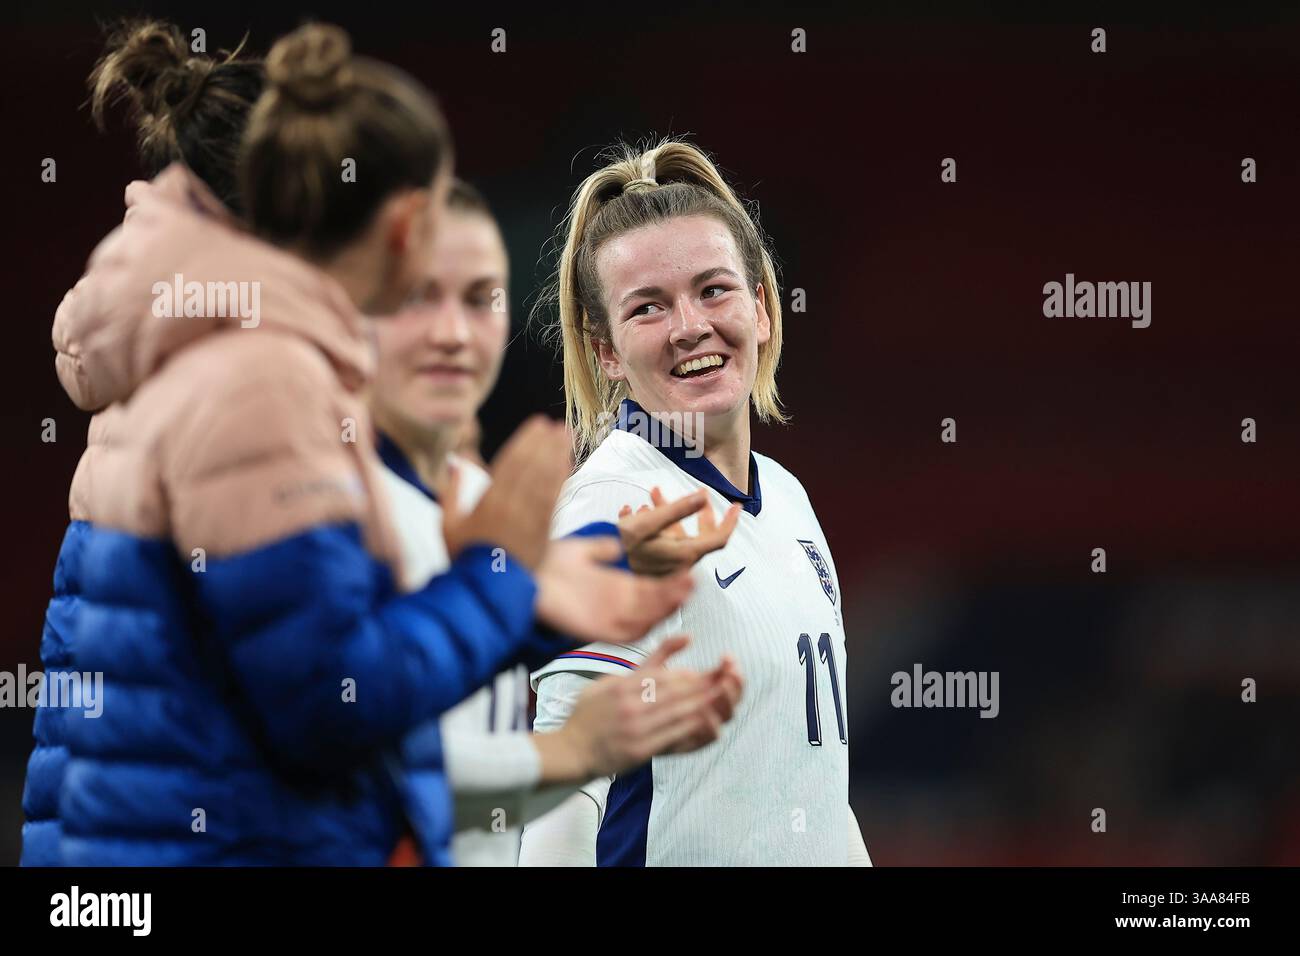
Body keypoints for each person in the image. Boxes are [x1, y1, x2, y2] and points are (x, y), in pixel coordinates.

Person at [22, 22, 690, 867]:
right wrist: (506, 592)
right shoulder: (262, 379)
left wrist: (535, 592)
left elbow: (277, 660)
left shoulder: (208, 352)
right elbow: (327, 705)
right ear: (404, 219)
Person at [520, 139, 873, 866]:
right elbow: (562, 792)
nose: (690, 326)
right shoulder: (614, 505)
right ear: (606, 350)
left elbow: (816, 790)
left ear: (763, 308)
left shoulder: (789, 500)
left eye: (713, 290)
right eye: (648, 307)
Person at [372, 179, 743, 865]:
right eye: (420, 298)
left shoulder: (481, 503)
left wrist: (552, 592)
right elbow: (325, 771)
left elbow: (444, 768)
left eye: (480, 297)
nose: (455, 332)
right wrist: (570, 751)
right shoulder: (294, 502)